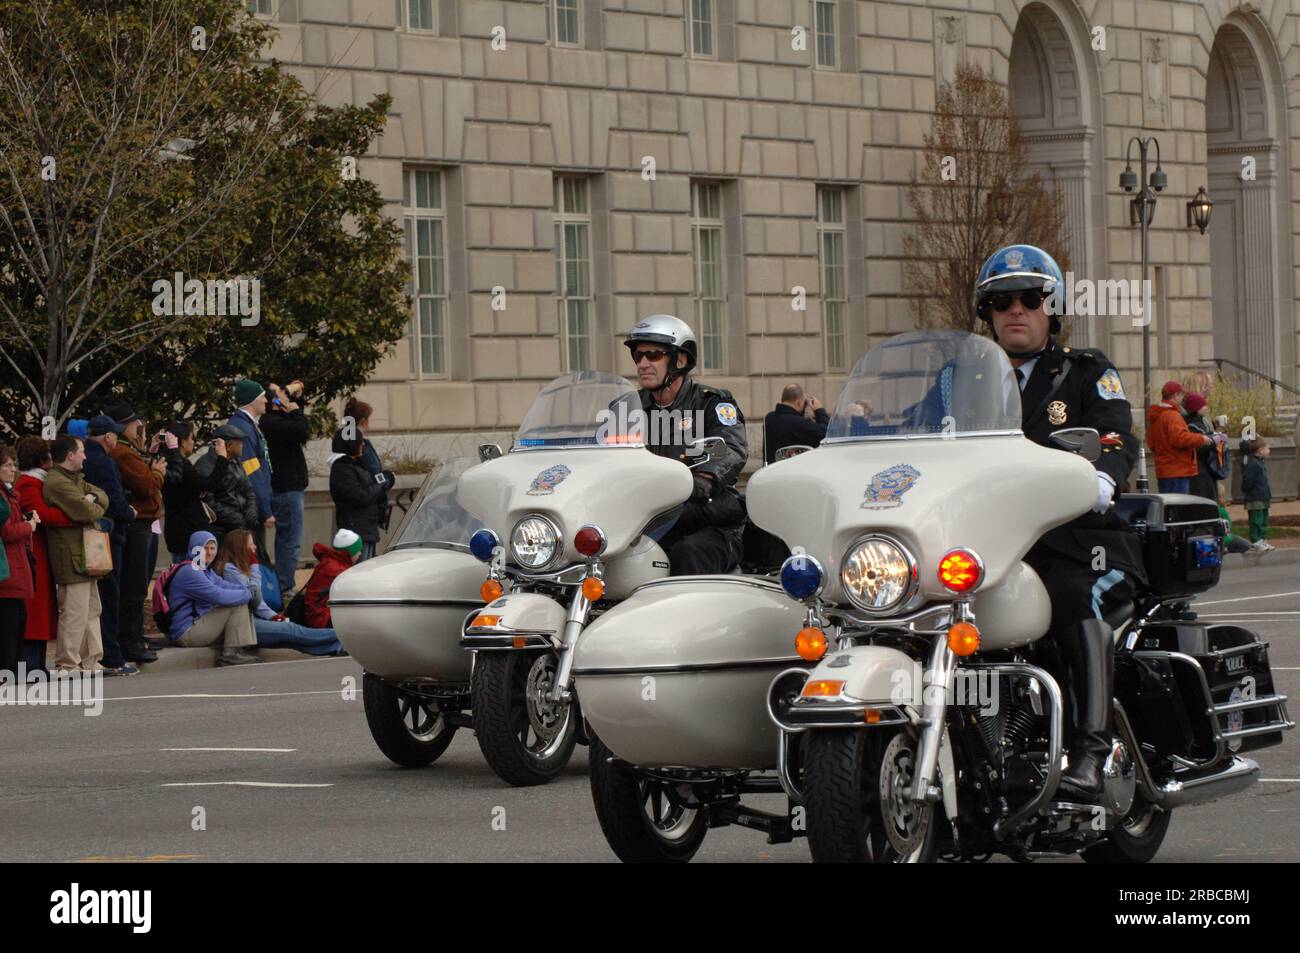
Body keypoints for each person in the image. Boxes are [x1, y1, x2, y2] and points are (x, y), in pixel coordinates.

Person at [976, 243, 1147, 801]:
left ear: (1054, 308)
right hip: (992, 545)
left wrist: (1100, 475)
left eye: (1031, 298)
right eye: (1002, 300)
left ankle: (1091, 751)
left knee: (1077, 597)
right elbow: (908, 433)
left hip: (1078, 542)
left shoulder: (1084, 370)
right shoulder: (960, 382)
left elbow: (1117, 431)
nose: (1016, 310)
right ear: (988, 312)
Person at [625, 314, 748, 575]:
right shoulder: (628, 409)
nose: (643, 364)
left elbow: (728, 447)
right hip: (646, 518)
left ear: (680, 360)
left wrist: (705, 477)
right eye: (638, 356)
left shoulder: (711, 403)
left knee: (688, 553)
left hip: (706, 520)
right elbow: (605, 452)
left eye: (653, 355)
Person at [82, 414, 146, 670]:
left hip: (92, 532)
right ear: (107, 436)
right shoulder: (104, 462)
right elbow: (115, 498)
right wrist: (129, 512)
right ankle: (112, 655)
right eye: (114, 434)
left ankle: (98, 653)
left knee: (95, 597)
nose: (116, 438)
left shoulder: (85, 457)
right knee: (109, 594)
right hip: (108, 533)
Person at [215, 529, 343, 656]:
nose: (254, 548)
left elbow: (259, 604)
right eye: (251, 545)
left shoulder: (241, 568)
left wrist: (273, 616)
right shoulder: (229, 570)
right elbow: (254, 597)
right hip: (244, 625)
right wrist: (255, 567)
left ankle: (337, 646)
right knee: (292, 630)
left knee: (290, 638)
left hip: (253, 619)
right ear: (241, 548)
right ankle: (344, 636)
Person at [43, 435, 110, 673]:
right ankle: (67, 663)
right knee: (74, 612)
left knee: (92, 609)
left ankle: (91, 661)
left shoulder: (75, 479)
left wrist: (92, 499)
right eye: (81, 451)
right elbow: (86, 512)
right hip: (70, 557)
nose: (85, 455)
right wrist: (91, 503)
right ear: (70, 455)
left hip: (86, 556)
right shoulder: (57, 483)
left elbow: (102, 496)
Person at [107, 405, 166, 663]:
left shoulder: (126, 451)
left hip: (140, 523)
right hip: (137, 524)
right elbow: (146, 484)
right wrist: (158, 471)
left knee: (136, 583)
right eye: (133, 423)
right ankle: (129, 641)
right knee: (134, 585)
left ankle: (133, 637)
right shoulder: (122, 453)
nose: (137, 426)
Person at [167, 530, 261, 665]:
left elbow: (225, 585)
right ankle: (231, 654)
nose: (210, 553)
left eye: (212, 548)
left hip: (197, 624)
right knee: (238, 603)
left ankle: (237, 650)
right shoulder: (190, 571)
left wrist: (247, 591)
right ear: (195, 548)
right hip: (186, 632)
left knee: (239, 598)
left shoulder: (205, 570)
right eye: (205, 548)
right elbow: (218, 595)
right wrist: (248, 594)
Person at [14, 437, 65, 677]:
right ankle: (30, 665)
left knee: (42, 608)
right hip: (35, 551)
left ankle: (37, 663)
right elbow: (41, 514)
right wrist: (71, 515)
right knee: (36, 609)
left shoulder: (35, 482)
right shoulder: (29, 483)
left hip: (40, 550)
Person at [261, 380, 311, 596]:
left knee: (288, 541)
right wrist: (296, 411)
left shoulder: (277, 417)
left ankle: (283, 584)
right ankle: (284, 586)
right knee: (290, 541)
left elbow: (296, 415)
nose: (285, 393)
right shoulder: (271, 422)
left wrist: (295, 397)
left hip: (289, 487)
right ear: (272, 399)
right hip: (286, 489)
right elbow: (302, 431)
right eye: (281, 391)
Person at [331, 399, 388, 560]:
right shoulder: (349, 460)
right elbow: (372, 476)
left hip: (364, 517)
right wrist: (384, 481)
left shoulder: (346, 443)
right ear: (363, 421)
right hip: (359, 518)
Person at [161, 422, 226, 562]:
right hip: (189, 533)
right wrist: (222, 457)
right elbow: (211, 484)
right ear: (183, 442)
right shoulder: (181, 466)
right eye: (191, 438)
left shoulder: (166, 462)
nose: (193, 442)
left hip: (177, 532)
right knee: (193, 576)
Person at [226, 379, 276, 562]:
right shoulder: (243, 428)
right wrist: (265, 509)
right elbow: (252, 473)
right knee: (254, 560)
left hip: (250, 505)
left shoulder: (247, 425)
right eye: (263, 397)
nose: (266, 401)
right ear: (252, 400)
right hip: (250, 508)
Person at [0, 445, 37, 678]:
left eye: (13, 464)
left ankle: (10, 669)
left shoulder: (10, 492)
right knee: (9, 624)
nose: (12, 469)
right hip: (8, 566)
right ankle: (6, 671)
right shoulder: (3, 496)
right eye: (6, 465)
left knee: (17, 620)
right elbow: (6, 531)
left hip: (16, 562)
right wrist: (28, 526)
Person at [330, 436, 394, 563]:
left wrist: (386, 478)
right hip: (356, 529)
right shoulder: (342, 469)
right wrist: (382, 485)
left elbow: (371, 484)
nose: (363, 446)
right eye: (360, 443)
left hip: (367, 526)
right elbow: (361, 496)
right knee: (360, 570)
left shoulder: (358, 465)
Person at [1146, 381, 1213, 494]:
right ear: (1175, 395)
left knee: (1168, 507)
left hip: (1163, 471)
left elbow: (1151, 443)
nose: (1182, 399)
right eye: (1181, 395)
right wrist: (1201, 439)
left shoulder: (1157, 416)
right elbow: (1180, 439)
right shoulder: (1173, 415)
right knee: (1178, 508)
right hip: (1177, 471)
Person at [196, 424, 259, 542]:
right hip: (220, 530)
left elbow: (249, 490)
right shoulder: (205, 466)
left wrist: (252, 509)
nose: (242, 446)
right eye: (239, 442)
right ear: (229, 446)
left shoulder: (236, 461)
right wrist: (236, 518)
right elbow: (208, 501)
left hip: (242, 526)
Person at [302, 529, 363, 629]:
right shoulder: (336, 569)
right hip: (321, 619)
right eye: (357, 551)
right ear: (348, 553)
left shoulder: (331, 561)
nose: (360, 553)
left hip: (318, 614)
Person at [763, 383, 829, 464]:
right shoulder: (799, 423)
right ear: (799, 402)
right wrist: (819, 410)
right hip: (796, 471)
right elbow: (825, 434)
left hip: (772, 470)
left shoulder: (769, 418)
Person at [1181, 392, 1226, 502]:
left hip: (1205, 469)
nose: (1206, 407)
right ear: (1197, 409)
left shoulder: (1200, 422)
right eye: (1203, 405)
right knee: (1205, 500)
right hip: (1200, 471)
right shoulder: (1193, 426)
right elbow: (1196, 447)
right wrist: (1214, 441)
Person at [1241, 437, 1274, 553]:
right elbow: (1248, 481)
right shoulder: (1252, 463)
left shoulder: (1260, 462)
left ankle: (1263, 540)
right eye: (1268, 449)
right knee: (1256, 520)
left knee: (1264, 520)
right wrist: (1248, 492)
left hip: (1263, 496)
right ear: (1260, 450)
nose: (1269, 451)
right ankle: (1256, 541)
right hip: (1255, 497)